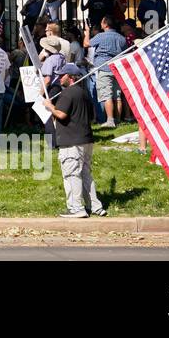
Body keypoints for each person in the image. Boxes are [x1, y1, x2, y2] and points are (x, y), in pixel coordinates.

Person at [40, 66, 106, 218]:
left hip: (72, 142)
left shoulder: (67, 93)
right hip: (86, 140)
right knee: (86, 175)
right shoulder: (84, 93)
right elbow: (91, 115)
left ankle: (76, 208)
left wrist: (49, 106)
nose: (59, 78)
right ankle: (95, 206)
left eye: (62, 75)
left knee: (71, 175)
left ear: (70, 77)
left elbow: (61, 114)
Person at [85, 15, 127, 127]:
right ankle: (118, 120)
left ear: (105, 24)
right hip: (116, 68)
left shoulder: (101, 36)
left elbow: (86, 44)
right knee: (117, 96)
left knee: (106, 95)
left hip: (103, 67)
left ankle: (110, 120)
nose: (100, 24)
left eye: (102, 22)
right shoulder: (121, 38)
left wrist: (87, 33)